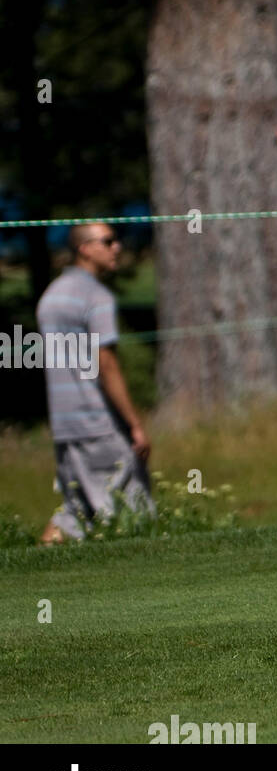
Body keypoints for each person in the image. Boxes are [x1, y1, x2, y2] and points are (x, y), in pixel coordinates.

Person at [37, 223, 154, 544]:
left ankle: (34, 576)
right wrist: (134, 424)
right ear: (85, 249)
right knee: (133, 511)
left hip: (64, 424)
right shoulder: (96, 296)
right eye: (108, 241)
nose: (117, 247)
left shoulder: (52, 295)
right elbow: (107, 363)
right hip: (97, 422)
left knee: (76, 511)